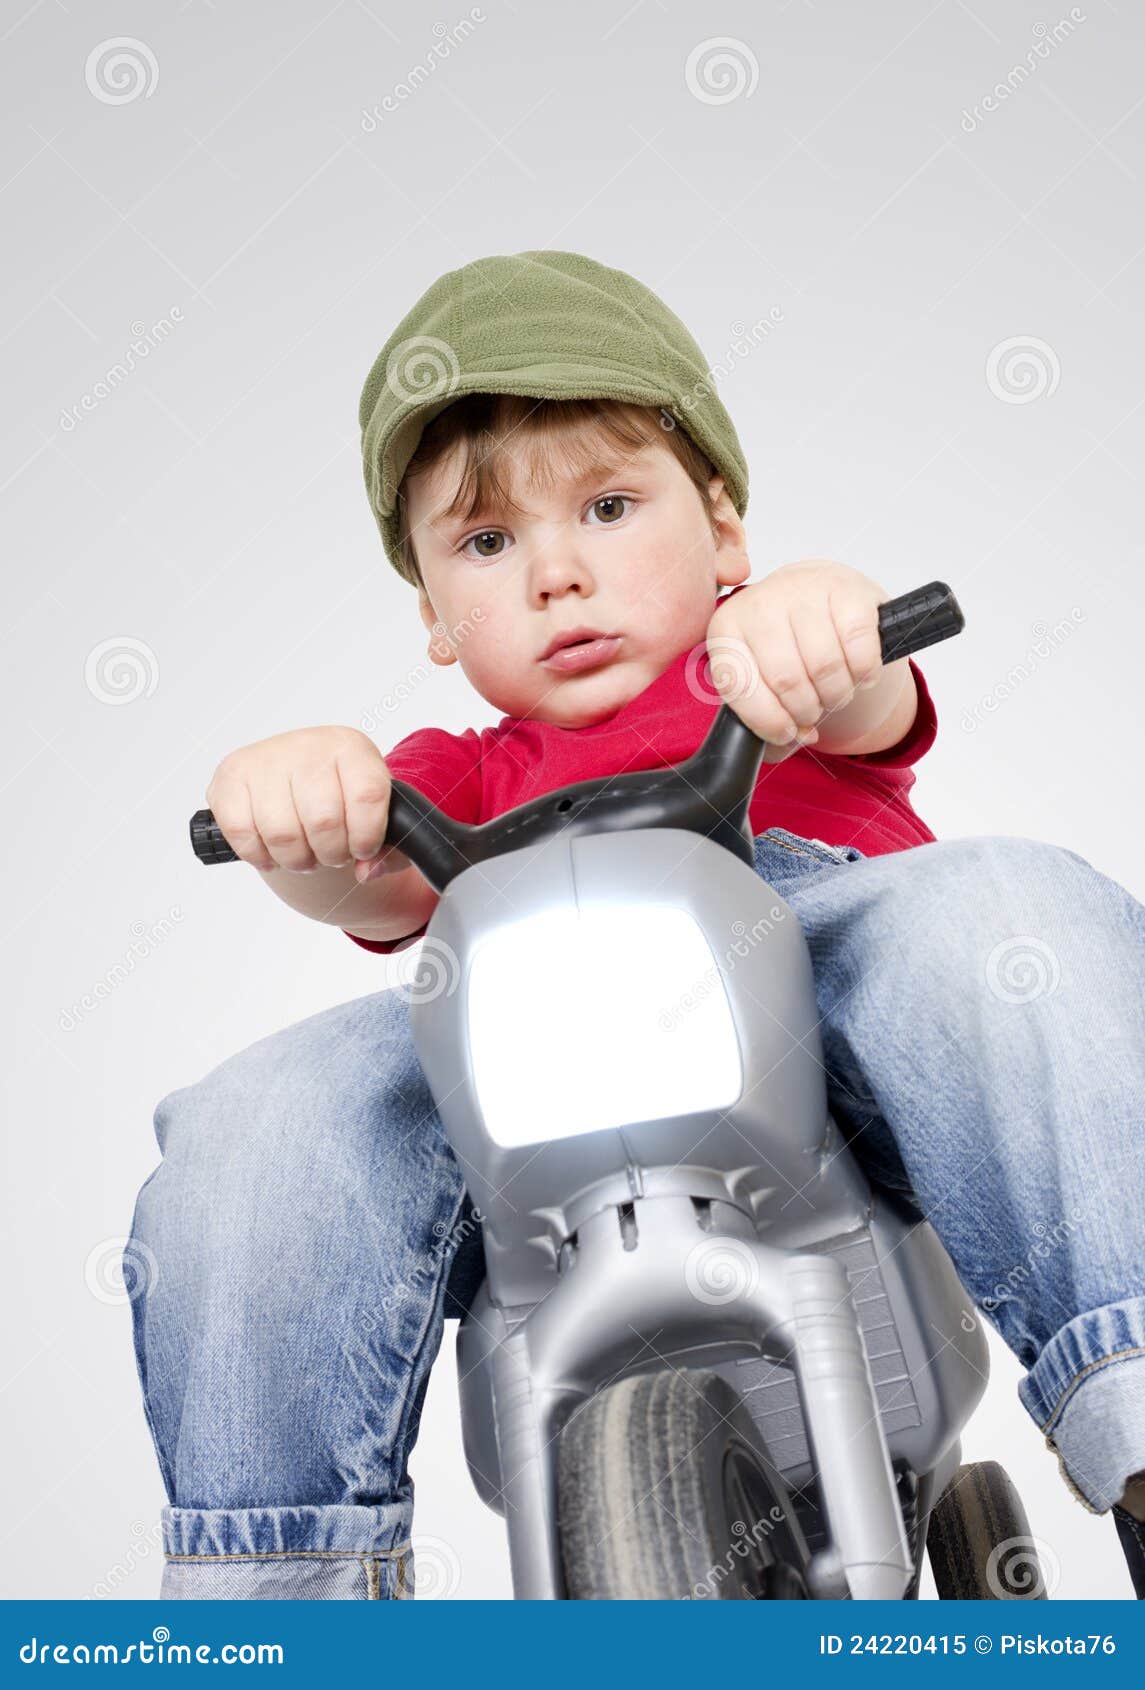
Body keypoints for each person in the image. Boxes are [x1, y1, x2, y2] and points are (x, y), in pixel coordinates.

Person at [127, 250, 1145, 1600]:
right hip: (509, 1037)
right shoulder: (457, 775)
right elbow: (366, 880)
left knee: (1007, 914)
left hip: (806, 959)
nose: (556, 574)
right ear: (434, 611)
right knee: (253, 1126)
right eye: (487, 544)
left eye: (607, 506)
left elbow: (867, 698)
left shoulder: (762, 671)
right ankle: (276, 1604)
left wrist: (820, 627)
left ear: (724, 531)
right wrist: (294, 810)